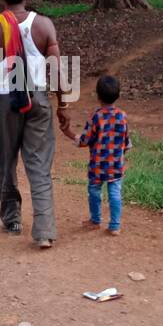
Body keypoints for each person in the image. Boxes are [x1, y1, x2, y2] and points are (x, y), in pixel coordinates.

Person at [0, 0, 70, 249]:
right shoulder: (45, 26)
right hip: (38, 99)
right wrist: (62, 105)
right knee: (38, 164)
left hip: (6, 103)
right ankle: (44, 231)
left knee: (5, 161)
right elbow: (57, 71)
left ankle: (12, 219)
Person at [63, 75, 131, 236]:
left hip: (98, 166)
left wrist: (70, 134)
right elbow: (126, 141)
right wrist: (121, 154)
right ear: (118, 95)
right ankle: (115, 225)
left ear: (98, 96)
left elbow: (85, 140)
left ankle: (95, 220)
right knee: (115, 193)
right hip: (116, 165)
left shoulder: (96, 117)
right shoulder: (122, 116)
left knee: (94, 191)